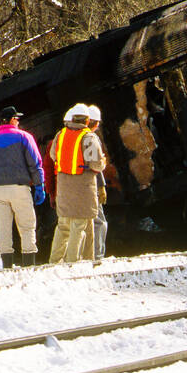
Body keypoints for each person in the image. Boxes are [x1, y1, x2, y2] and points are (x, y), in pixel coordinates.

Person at [0, 107, 46, 268]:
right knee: (27, 226)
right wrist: (39, 186)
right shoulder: (24, 137)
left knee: (3, 228)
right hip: (19, 189)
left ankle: (7, 266)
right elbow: (35, 164)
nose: (18, 121)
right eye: (17, 118)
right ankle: (28, 264)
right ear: (12, 120)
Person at [48, 104, 106, 263]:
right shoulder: (88, 138)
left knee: (63, 225)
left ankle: (54, 261)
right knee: (79, 226)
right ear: (87, 120)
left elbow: (54, 155)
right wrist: (103, 162)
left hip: (64, 188)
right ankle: (72, 262)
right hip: (83, 189)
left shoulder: (61, 134)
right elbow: (95, 163)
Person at [77, 105, 110, 262]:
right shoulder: (89, 138)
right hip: (88, 186)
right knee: (99, 222)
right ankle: (96, 257)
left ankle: (80, 256)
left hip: (72, 185)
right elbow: (94, 166)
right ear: (94, 123)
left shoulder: (72, 135)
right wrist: (102, 186)